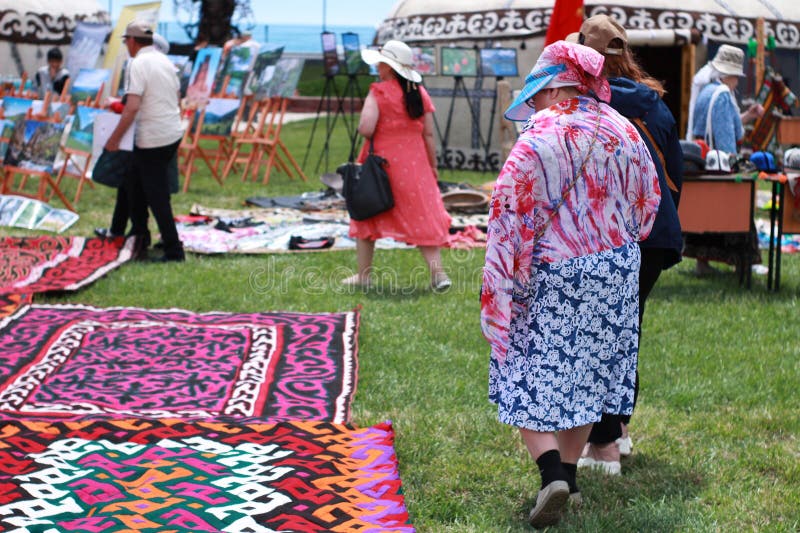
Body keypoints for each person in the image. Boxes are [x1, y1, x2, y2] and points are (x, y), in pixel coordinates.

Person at [480, 41, 660, 528]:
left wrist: (501, 280)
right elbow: (649, 203)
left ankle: (550, 475)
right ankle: (571, 482)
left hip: (556, 273)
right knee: (589, 376)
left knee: (521, 369)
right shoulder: (623, 129)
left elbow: (507, 215)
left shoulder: (537, 137)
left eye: (538, 93)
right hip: (616, 271)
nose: (534, 103)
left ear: (558, 88)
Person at [568, 15, 683, 475]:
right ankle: (619, 430)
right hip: (654, 232)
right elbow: (675, 173)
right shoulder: (654, 103)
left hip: (613, 234)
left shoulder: (587, 103)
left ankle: (605, 445)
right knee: (624, 334)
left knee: (599, 338)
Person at [343, 40, 452, 290]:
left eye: (381, 63)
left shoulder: (378, 92)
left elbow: (366, 128)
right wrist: (433, 166)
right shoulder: (419, 93)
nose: (378, 67)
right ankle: (438, 275)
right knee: (422, 216)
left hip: (381, 165)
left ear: (389, 67)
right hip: (416, 165)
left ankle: (363, 275)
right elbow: (428, 134)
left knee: (367, 214)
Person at [104, 20, 185, 262]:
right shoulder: (164, 61)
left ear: (131, 40)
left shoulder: (137, 63)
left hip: (153, 138)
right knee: (134, 181)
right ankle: (139, 235)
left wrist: (114, 138)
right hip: (171, 132)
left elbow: (132, 107)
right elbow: (177, 97)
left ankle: (173, 249)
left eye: (126, 41)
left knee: (156, 195)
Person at [686, 44, 764, 275]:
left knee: (706, 214)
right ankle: (743, 262)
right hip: (719, 164)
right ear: (731, 75)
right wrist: (735, 165)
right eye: (737, 76)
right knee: (737, 211)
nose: (737, 81)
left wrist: (747, 116)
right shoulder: (723, 96)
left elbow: (722, 123)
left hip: (704, 162)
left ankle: (702, 262)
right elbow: (725, 137)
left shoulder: (707, 91)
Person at [94, 31, 175, 242]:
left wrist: (114, 108)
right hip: (155, 136)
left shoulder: (143, 68)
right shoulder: (164, 69)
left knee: (151, 191)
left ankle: (156, 238)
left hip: (148, 138)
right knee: (131, 184)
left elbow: (133, 107)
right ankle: (127, 230)